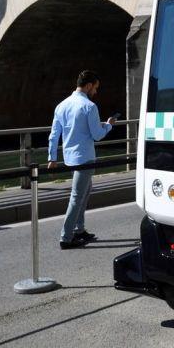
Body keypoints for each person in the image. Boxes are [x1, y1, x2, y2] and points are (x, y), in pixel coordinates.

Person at [47, 70, 115, 249]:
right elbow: (97, 135)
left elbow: (54, 135)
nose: (96, 92)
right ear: (89, 85)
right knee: (77, 197)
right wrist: (108, 126)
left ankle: (79, 229)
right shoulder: (89, 106)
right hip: (85, 158)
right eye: (95, 88)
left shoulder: (61, 106)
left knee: (84, 191)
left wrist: (52, 158)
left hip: (70, 157)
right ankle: (66, 237)